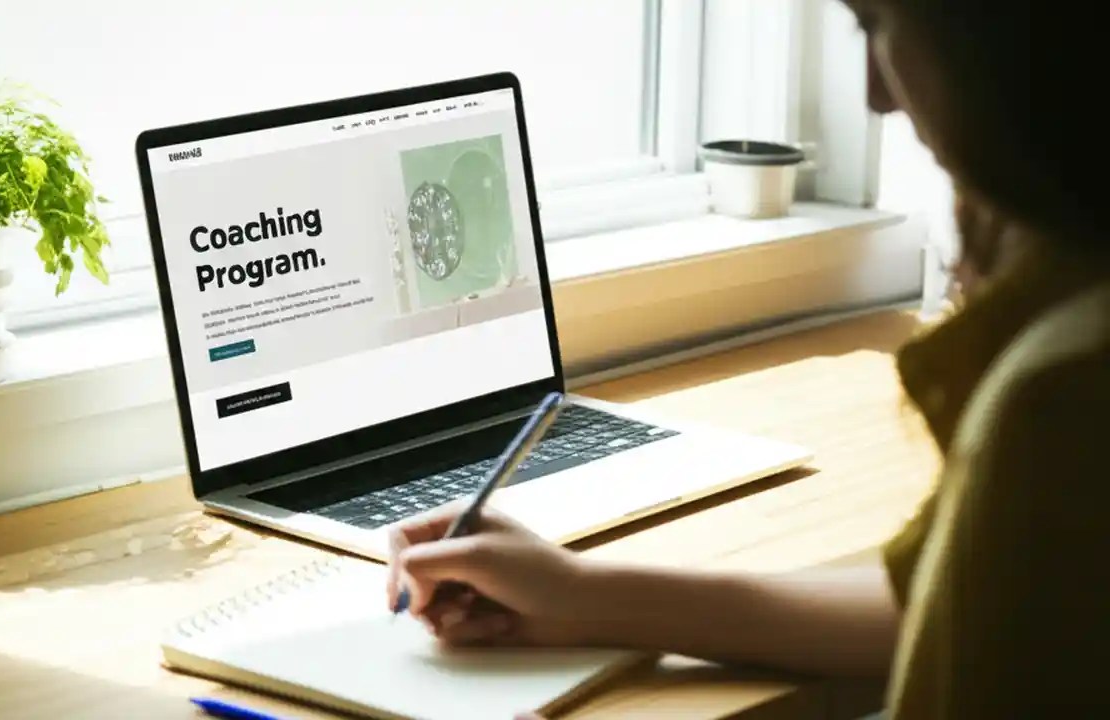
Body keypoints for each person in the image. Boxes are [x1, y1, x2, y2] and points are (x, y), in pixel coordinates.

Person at [386, 0, 1110, 717]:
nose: (875, 95)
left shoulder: (1062, 396)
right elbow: (930, 604)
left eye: (876, 26)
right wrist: (583, 596)